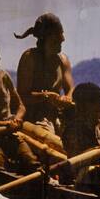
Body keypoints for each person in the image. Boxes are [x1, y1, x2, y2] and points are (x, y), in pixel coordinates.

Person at [13, 13, 71, 155]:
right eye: (57, 36)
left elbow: (70, 88)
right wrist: (44, 96)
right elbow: (22, 96)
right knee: (52, 146)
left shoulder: (62, 60)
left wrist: (67, 97)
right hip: (35, 118)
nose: (62, 39)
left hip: (57, 116)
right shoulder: (29, 58)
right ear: (46, 38)